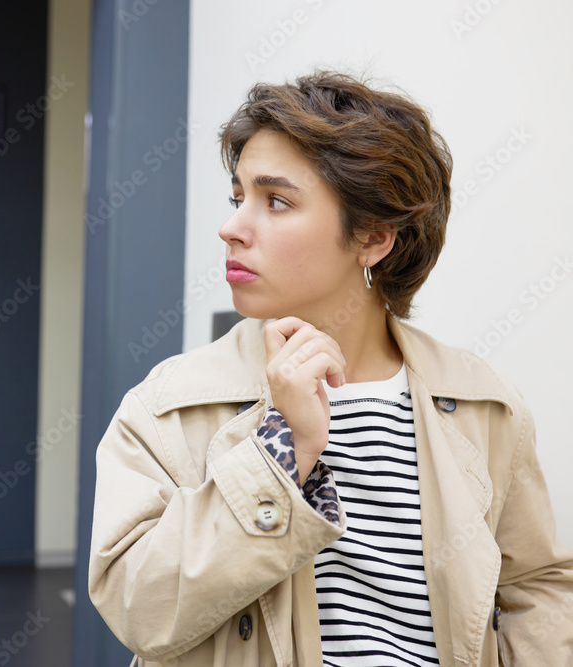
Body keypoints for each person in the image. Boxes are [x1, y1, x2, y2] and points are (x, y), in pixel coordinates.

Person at [87, 69, 573, 666]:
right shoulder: (168, 406)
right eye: (238, 198)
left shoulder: (485, 404)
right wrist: (281, 453)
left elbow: (538, 588)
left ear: (373, 236)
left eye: (276, 201)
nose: (232, 227)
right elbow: (140, 610)